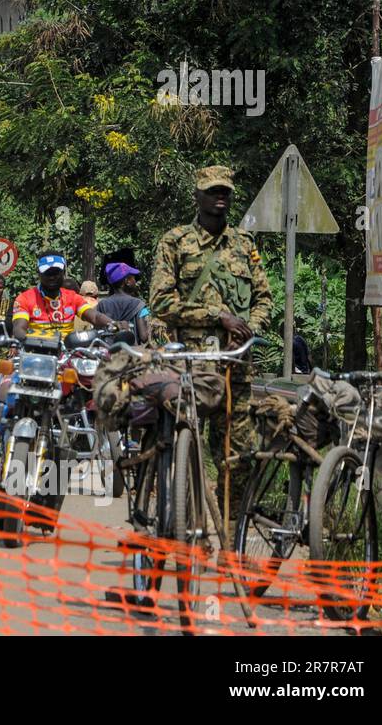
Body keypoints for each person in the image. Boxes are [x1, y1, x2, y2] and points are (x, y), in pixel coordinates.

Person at [149, 165, 272, 520]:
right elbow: (160, 302)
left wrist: (248, 325)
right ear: (197, 196)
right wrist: (217, 316)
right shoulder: (175, 241)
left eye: (226, 191)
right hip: (190, 364)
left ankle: (233, 534)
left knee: (239, 457)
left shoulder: (245, 244)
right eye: (212, 190)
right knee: (182, 446)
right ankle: (182, 521)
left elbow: (264, 297)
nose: (220, 196)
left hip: (235, 366)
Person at [12, 253, 120, 343]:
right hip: (36, 353)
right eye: (48, 273)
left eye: (56, 272)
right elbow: (19, 328)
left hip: (68, 354)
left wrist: (115, 324)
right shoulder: (24, 298)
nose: (52, 277)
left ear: (63, 273)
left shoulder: (73, 297)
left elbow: (95, 317)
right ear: (39, 274)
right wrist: (28, 340)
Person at [96, 262, 151, 344]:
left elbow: (98, 332)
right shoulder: (140, 305)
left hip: (110, 352)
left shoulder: (102, 304)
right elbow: (144, 336)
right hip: (131, 352)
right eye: (133, 278)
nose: (135, 281)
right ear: (127, 281)